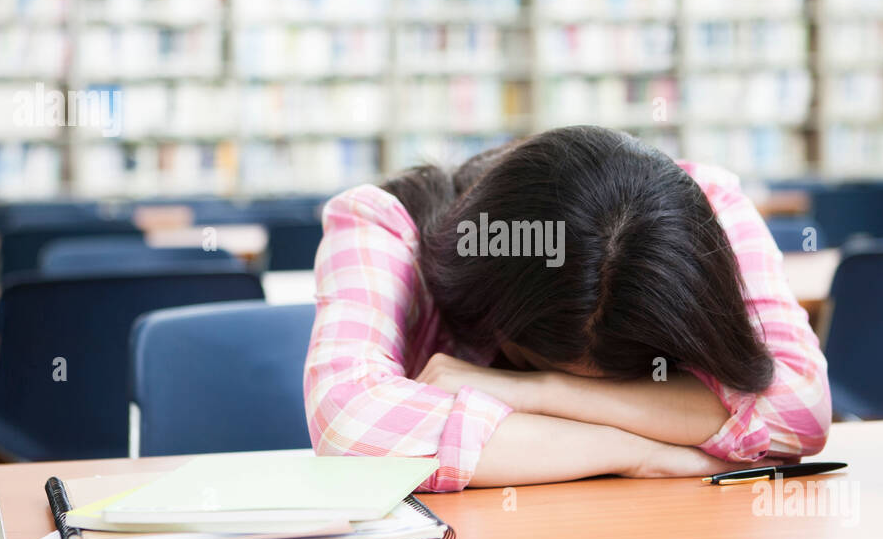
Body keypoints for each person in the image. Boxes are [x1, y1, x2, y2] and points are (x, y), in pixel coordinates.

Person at [304, 125, 830, 491]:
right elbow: (349, 424)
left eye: (616, 381)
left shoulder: (704, 209)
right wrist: (639, 454)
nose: (580, 391)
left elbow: (801, 408)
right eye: (536, 363)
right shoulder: (382, 225)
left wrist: (534, 391)